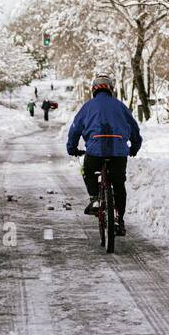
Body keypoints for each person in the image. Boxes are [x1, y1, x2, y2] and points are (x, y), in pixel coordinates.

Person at [66, 73, 141, 237]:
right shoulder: (120, 106)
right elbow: (134, 128)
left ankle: (95, 197)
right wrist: (134, 147)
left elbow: (75, 129)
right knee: (119, 185)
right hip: (118, 152)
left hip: (95, 151)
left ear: (94, 90)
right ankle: (119, 220)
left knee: (87, 170)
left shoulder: (88, 107)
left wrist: (72, 148)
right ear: (110, 89)